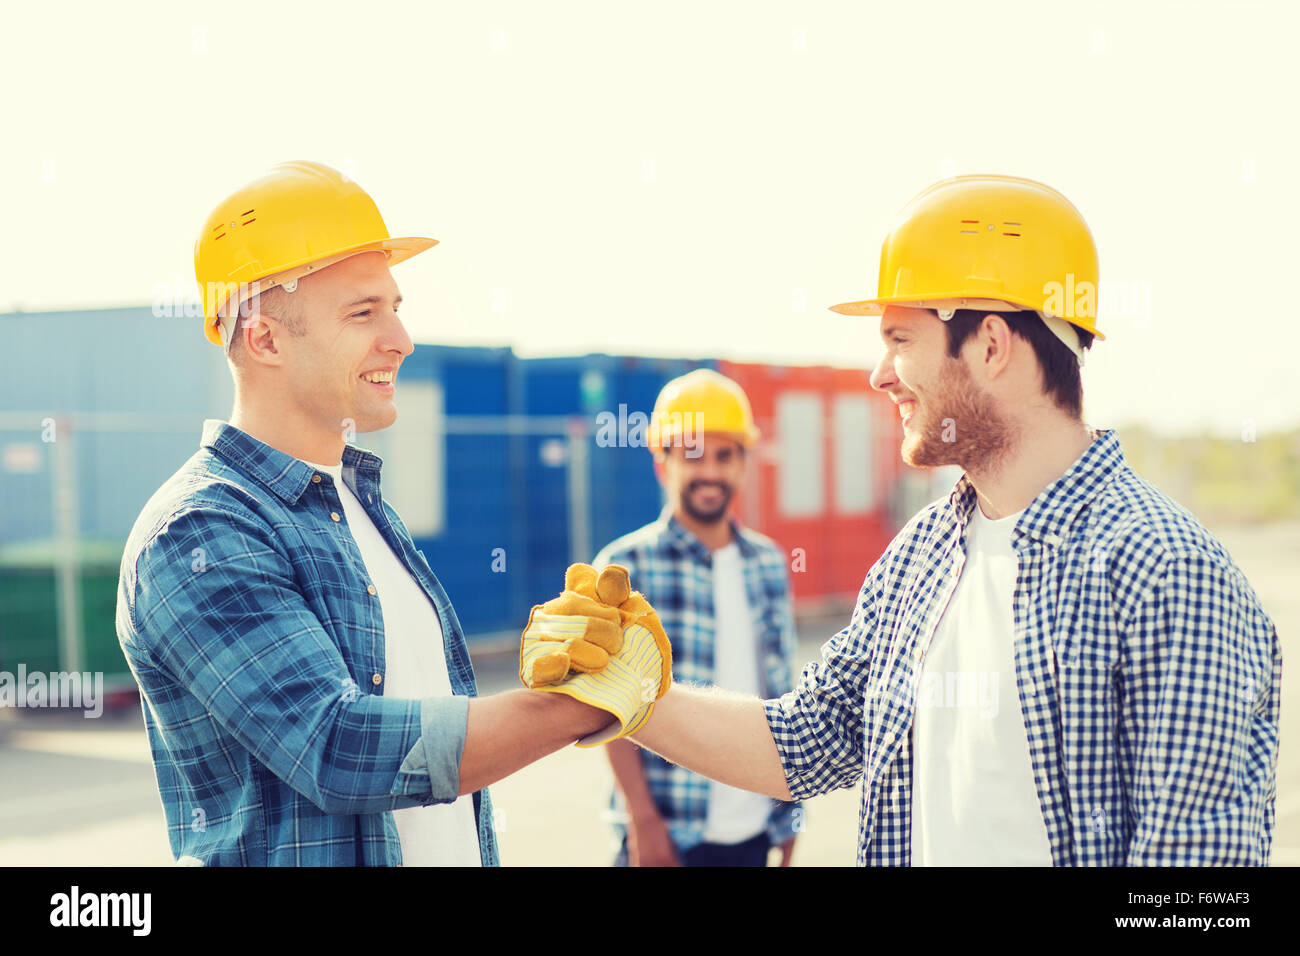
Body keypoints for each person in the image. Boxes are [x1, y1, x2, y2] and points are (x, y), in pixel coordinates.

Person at [582, 175, 1282, 865]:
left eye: (899, 339)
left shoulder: (1168, 574)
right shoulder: (922, 554)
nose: (879, 375)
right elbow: (807, 739)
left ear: (990, 345)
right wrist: (628, 691)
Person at [116, 161, 620, 866]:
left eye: (395, 305)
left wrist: (554, 671)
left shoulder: (358, 505)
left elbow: (430, 737)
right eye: (363, 312)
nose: (401, 338)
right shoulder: (200, 530)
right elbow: (339, 747)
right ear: (263, 338)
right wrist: (585, 703)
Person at [595, 369, 802, 867]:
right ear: (662, 463)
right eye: (692, 455)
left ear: (743, 465)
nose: (710, 471)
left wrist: (791, 814)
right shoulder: (625, 567)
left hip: (755, 832)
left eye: (724, 455)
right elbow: (608, 705)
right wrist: (643, 822)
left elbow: (782, 691)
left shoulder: (769, 562)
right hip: (667, 835)